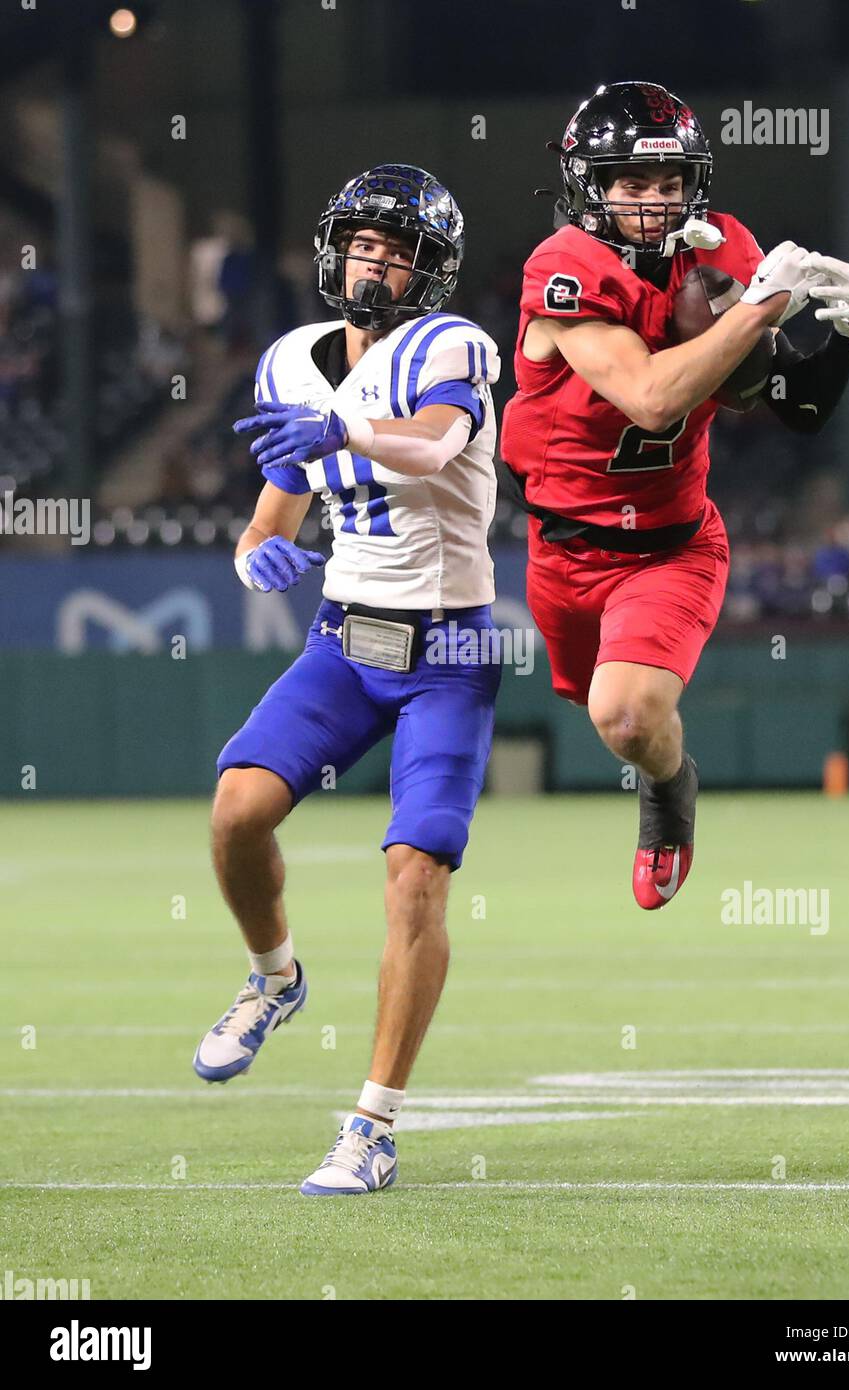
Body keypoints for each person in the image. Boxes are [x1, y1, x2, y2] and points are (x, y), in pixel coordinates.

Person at [192, 164, 501, 1196]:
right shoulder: (290, 363)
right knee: (237, 812)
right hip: (342, 641)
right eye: (364, 241)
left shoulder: (448, 343)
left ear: (431, 267)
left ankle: (372, 1125)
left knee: (415, 873)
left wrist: (349, 432)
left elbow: (435, 441)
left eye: (398, 245)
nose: (377, 259)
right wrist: (254, 560)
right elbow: (268, 520)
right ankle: (276, 977)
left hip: (447, 649)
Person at [501, 81, 849, 909]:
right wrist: (764, 307)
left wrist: (844, 338)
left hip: (672, 546)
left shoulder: (719, 257)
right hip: (562, 547)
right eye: (633, 184)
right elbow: (652, 398)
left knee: (627, 718)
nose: (656, 204)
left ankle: (670, 796)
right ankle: (661, 771)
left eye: (671, 186)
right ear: (587, 186)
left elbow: (796, 409)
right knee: (609, 713)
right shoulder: (564, 268)